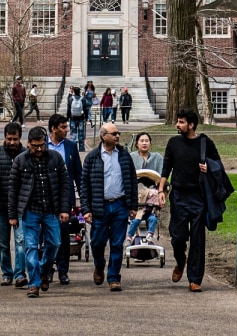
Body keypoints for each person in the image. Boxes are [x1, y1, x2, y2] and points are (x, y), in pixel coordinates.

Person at [158, 107, 221, 292]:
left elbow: (218, 164)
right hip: (178, 195)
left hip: (199, 196)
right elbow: (166, 168)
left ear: (191, 125)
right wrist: (161, 190)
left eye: (181, 122)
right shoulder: (173, 142)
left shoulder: (205, 143)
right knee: (177, 237)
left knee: (197, 238)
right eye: (178, 121)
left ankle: (195, 279)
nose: (177, 124)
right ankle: (180, 260)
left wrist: (208, 167)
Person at [9, 125, 71, 298]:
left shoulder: (55, 158)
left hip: (51, 210)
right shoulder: (20, 161)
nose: (38, 149)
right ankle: (34, 283)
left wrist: (65, 209)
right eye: (35, 145)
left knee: (55, 243)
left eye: (42, 145)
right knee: (31, 247)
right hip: (30, 211)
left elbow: (65, 185)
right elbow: (13, 190)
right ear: (28, 143)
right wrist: (13, 215)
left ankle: (44, 269)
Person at [81, 122, 137, 291]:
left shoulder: (124, 156)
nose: (117, 136)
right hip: (100, 206)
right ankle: (99, 265)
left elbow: (132, 181)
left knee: (117, 243)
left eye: (118, 133)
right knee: (97, 242)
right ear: (103, 136)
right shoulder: (93, 157)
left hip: (120, 204)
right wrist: (86, 209)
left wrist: (133, 205)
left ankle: (114, 277)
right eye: (114, 134)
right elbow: (85, 185)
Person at [0, 121, 27, 286]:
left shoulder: (26, 154)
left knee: (21, 241)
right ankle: (6, 272)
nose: (12, 142)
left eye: (15, 139)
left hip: (21, 207)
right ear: (4, 138)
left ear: (20, 138)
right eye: (9, 139)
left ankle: (20, 274)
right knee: (2, 243)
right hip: (1, 206)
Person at [42, 114, 83, 287]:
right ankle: (47, 269)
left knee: (63, 236)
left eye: (67, 127)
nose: (67, 130)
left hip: (64, 198)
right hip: (44, 197)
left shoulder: (71, 147)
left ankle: (63, 270)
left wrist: (82, 202)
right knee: (46, 236)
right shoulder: (40, 144)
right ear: (53, 128)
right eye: (63, 127)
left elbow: (78, 176)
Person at [126, 131, 163, 242]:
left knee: (152, 217)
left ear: (150, 143)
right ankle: (131, 237)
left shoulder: (157, 158)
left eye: (147, 141)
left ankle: (149, 235)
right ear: (137, 143)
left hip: (152, 191)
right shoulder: (131, 157)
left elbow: (162, 177)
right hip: (136, 192)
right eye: (141, 141)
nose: (144, 143)